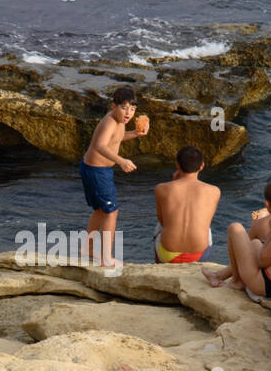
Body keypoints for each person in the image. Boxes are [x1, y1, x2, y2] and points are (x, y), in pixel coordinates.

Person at [79, 86, 148, 268]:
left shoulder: (120, 122)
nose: (128, 113)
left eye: (132, 109)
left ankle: (88, 248)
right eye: (124, 108)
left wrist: (134, 134)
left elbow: (115, 139)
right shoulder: (110, 121)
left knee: (101, 210)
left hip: (94, 169)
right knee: (112, 211)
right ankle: (106, 258)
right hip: (97, 171)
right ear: (113, 106)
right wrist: (121, 161)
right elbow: (100, 146)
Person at [202, 180, 271, 286]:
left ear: (267, 203)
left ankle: (235, 281)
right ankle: (218, 276)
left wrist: (257, 222)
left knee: (236, 230)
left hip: (266, 280)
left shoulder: (261, 223)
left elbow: (243, 249)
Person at [154, 146, 221, 263]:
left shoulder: (161, 188)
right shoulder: (214, 191)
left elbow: (162, 220)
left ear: (177, 165)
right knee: (205, 226)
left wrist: (174, 182)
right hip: (199, 255)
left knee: (158, 228)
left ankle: (159, 268)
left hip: (168, 255)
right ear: (202, 166)